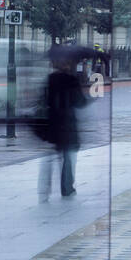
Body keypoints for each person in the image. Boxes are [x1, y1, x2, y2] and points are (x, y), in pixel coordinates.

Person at [38, 48, 85, 201]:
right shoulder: (71, 80)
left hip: (53, 123)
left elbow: (44, 101)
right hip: (68, 124)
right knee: (69, 158)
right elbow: (80, 102)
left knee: (51, 158)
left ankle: (44, 190)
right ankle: (67, 188)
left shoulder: (50, 79)